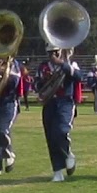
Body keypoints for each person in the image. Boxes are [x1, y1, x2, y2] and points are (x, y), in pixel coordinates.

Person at [35, 48, 81, 182]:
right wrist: (45, 81)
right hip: (49, 102)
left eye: (56, 52)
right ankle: (57, 171)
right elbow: (37, 84)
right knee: (50, 137)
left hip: (65, 101)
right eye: (50, 53)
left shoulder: (70, 63)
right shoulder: (43, 66)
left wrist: (62, 64)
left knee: (61, 131)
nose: (53, 55)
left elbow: (78, 76)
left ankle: (68, 154)